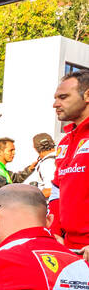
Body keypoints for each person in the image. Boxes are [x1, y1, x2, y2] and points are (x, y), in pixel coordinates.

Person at [51, 70, 89, 254]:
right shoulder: (65, 142)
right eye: (56, 98)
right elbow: (56, 190)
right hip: (68, 248)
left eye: (63, 97)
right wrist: (54, 233)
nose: (55, 104)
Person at [23, 132, 57, 197]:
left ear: (35, 148)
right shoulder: (58, 158)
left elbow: (51, 190)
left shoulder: (48, 163)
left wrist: (30, 196)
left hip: (48, 205)